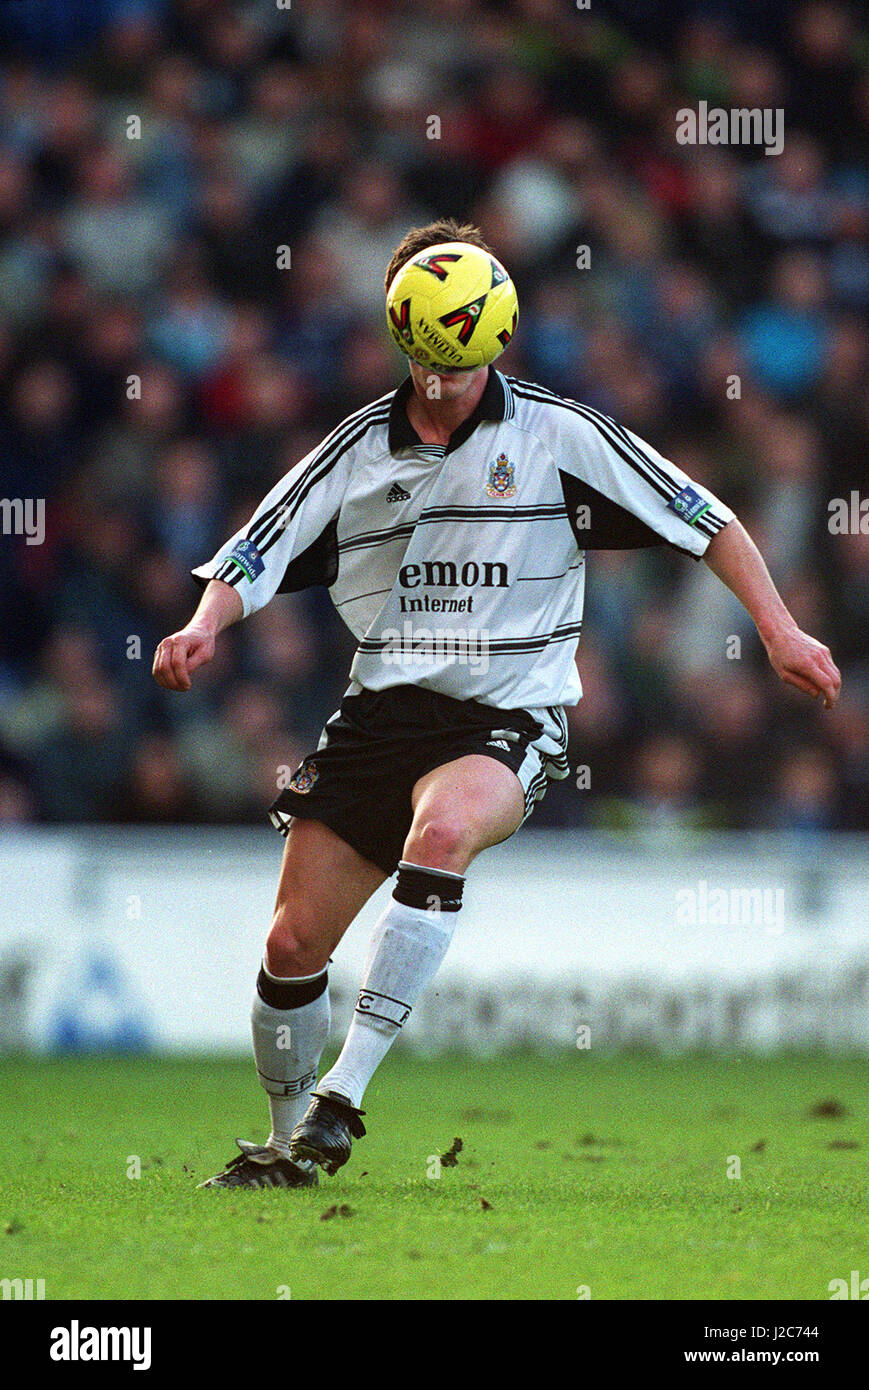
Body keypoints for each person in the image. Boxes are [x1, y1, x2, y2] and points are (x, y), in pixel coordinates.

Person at [152, 218, 841, 1188]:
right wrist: (201, 624)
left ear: (494, 339)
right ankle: (282, 1144)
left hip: (504, 716)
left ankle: (342, 1095)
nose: (450, 376)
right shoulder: (357, 446)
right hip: (380, 715)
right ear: (407, 338)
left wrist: (776, 629)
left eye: (466, 353)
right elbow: (257, 546)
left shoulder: (559, 433)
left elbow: (703, 516)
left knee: (440, 837)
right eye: (435, 353)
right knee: (290, 945)